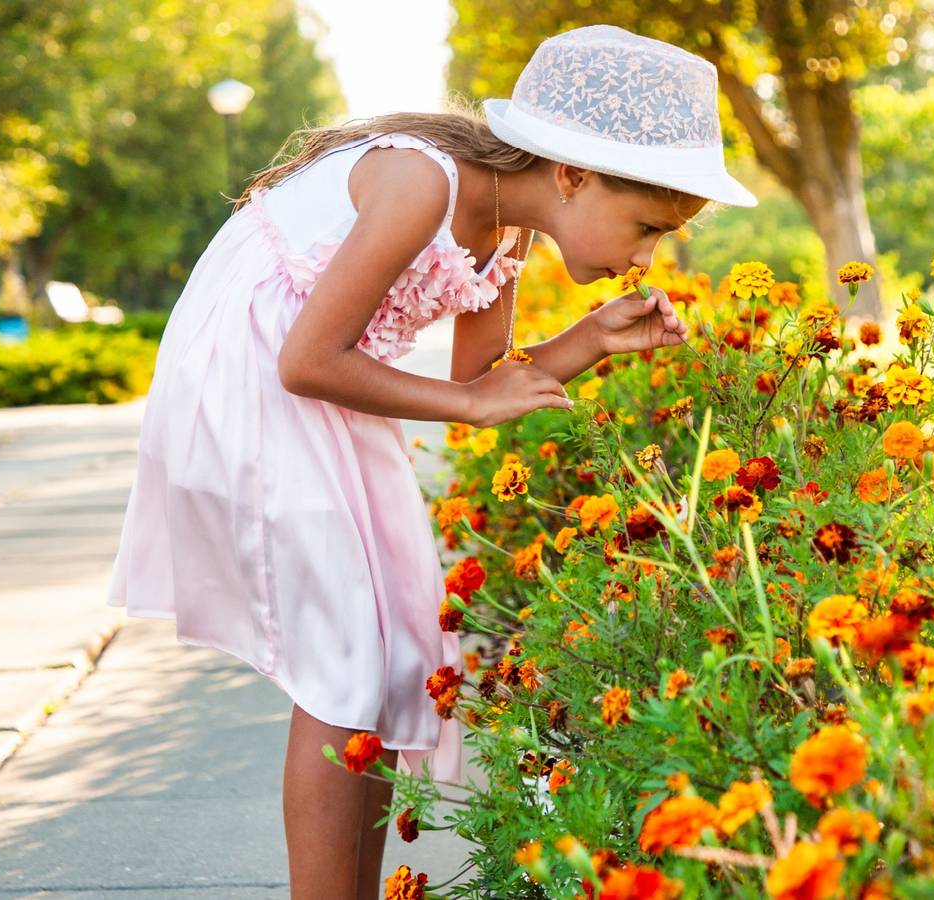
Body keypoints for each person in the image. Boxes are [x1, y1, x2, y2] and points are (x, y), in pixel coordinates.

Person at [105, 24, 755, 898]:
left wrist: (589, 340)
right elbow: (306, 361)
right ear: (571, 174)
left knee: (386, 654)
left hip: (320, 389)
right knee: (346, 659)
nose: (646, 257)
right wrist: (473, 402)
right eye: (645, 226)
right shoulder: (420, 181)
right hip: (253, 382)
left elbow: (479, 384)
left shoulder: (504, 232)